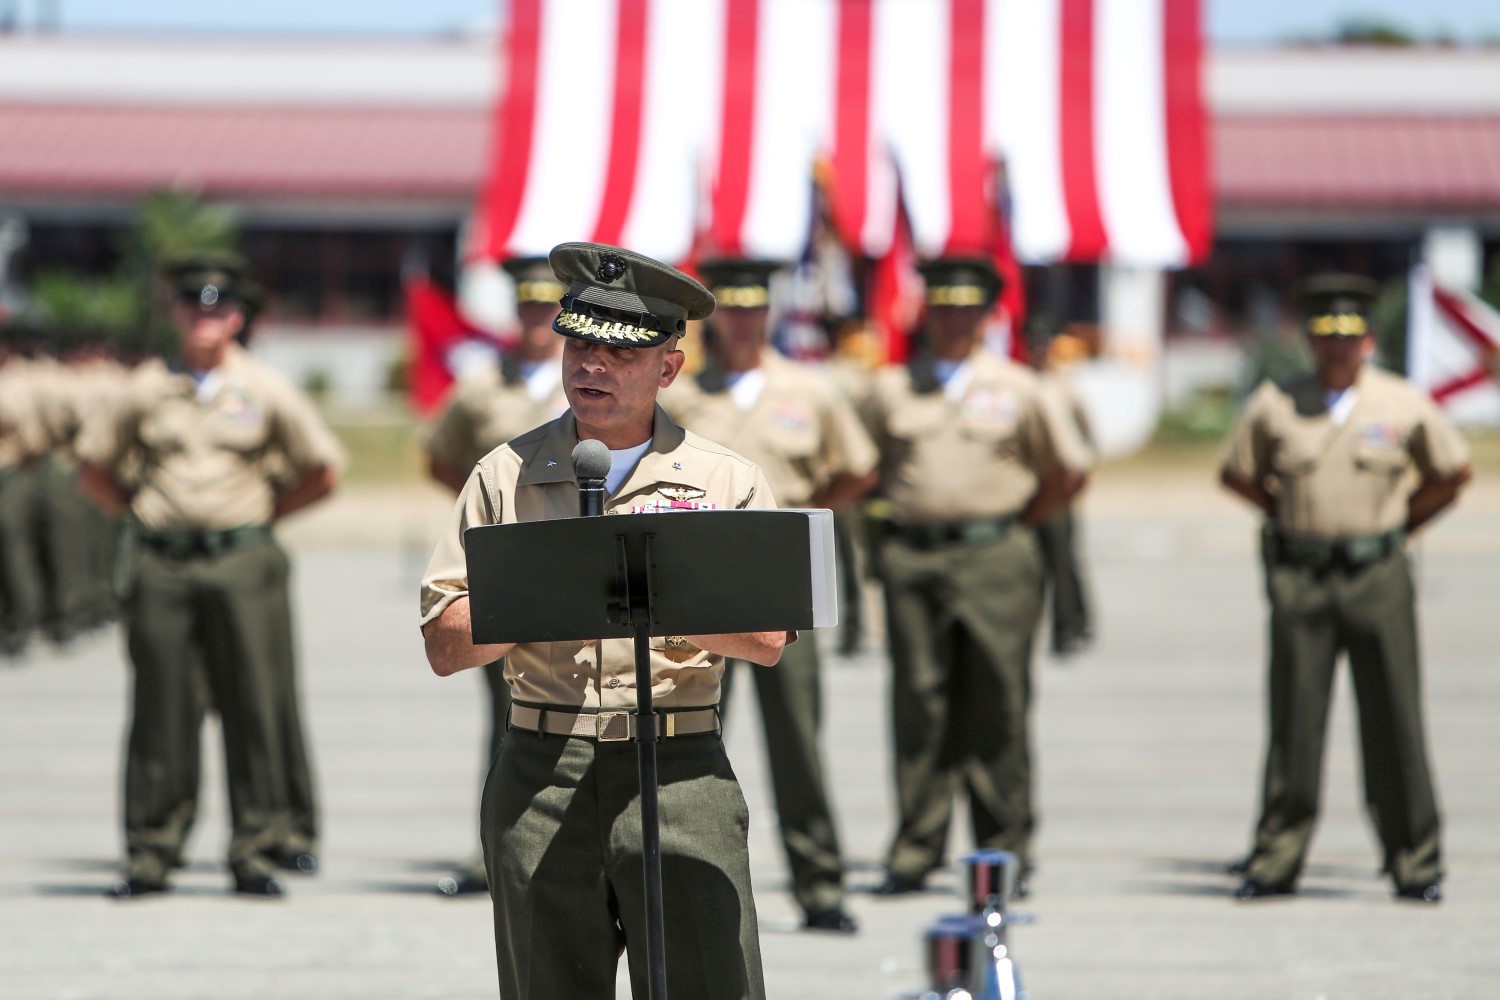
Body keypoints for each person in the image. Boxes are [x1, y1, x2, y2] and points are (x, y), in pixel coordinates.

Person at [421, 241, 787, 1000]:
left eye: (619, 354)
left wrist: (644, 590)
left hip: (680, 771)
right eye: (580, 345)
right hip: (541, 772)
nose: (592, 367)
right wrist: (548, 592)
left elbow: (767, 638)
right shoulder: (503, 474)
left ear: (669, 368)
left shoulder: (723, 479)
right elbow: (444, 644)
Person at [77, 254, 345, 898]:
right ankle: (152, 850)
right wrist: (140, 515)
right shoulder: (145, 388)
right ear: (175, 315)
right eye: (193, 308)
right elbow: (94, 465)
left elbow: (323, 468)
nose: (205, 320)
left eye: (219, 310)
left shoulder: (264, 388)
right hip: (163, 562)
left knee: (255, 701)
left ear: (237, 320)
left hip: (241, 559)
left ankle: (255, 845)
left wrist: (263, 516)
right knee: (160, 708)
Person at [1218, 274, 1470, 904]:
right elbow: (1237, 472)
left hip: (1376, 574)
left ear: (1368, 341)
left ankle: (1415, 860)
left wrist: (1399, 523)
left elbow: (1452, 471)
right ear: (1308, 340)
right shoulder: (1278, 401)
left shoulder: (1401, 402)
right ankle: (1277, 858)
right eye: (1325, 338)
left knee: (1394, 718)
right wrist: (1283, 514)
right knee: (1295, 723)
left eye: (1349, 338)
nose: (1337, 349)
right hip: (1301, 574)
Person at [660, 258, 876, 933]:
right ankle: (679, 873)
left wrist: (805, 511)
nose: (744, 322)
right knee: (689, 731)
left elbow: (858, 468)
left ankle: (820, 884)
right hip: (703, 581)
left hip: (783, 577)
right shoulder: (687, 397)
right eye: (732, 310)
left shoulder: (808, 391)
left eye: (755, 309)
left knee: (798, 736)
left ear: (769, 315)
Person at [861, 257, 1086, 899]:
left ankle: (1003, 851)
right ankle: (916, 845)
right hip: (914, 559)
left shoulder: (1020, 387)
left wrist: (1011, 521)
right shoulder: (892, 388)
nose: (954, 320)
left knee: (999, 704)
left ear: (989, 316)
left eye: (968, 309)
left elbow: (1066, 474)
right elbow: (862, 463)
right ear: (925, 312)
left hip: (996, 557)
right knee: (918, 704)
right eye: (943, 307)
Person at [422, 256, 568, 895]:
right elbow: (440, 456)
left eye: (549, 307)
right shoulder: (482, 387)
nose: (538, 319)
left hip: (577, 566)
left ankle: (575, 842)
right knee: (508, 716)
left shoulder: (585, 381)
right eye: (529, 306)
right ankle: (497, 850)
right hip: (508, 570)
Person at [1032, 335, 1097, 656]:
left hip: (1059, 482)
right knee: (1030, 563)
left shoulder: (1064, 388)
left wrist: (1079, 472)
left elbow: (1085, 433)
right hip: (1030, 485)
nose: (1039, 352)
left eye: (1043, 346)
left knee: (1063, 558)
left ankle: (1070, 626)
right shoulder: (1021, 384)